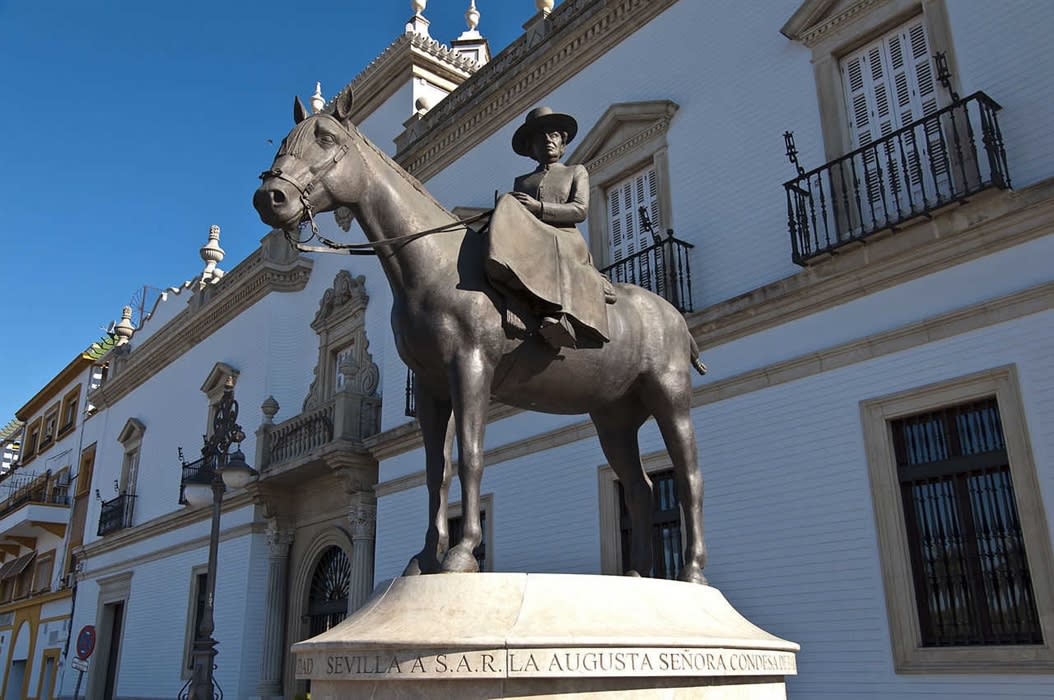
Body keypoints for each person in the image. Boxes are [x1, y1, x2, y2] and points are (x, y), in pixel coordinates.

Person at [486, 107, 611, 348]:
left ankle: (558, 314)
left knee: (552, 246)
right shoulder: (522, 182)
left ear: (562, 141)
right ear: (531, 148)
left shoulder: (576, 172)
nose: (547, 141)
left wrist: (538, 208)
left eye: (553, 135)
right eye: (540, 137)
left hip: (565, 237)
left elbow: (580, 210)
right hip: (533, 238)